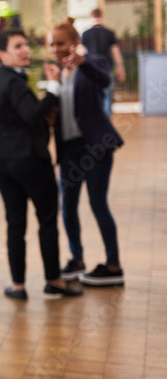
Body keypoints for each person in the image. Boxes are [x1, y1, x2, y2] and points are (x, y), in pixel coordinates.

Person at [0, 30, 82, 299]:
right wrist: (53, 86)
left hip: (3, 165)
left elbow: (14, 121)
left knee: (15, 223)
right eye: (18, 46)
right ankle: (54, 281)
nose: (25, 50)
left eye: (25, 45)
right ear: (2, 54)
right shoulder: (14, 83)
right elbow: (32, 113)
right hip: (31, 162)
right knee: (47, 220)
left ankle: (18, 285)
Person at [49, 20, 125, 286]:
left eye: (60, 43)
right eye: (52, 44)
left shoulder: (93, 61)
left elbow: (104, 81)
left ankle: (114, 265)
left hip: (94, 146)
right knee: (67, 206)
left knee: (97, 203)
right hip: (69, 148)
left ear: (73, 43)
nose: (55, 49)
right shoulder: (58, 73)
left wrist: (83, 63)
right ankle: (76, 259)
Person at [80, 8, 126, 116]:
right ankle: (107, 121)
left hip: (91, 70)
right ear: (102, 17)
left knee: (92, 95)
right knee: (107, 95)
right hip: (106, 69)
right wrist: (120, 67)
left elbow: (81, 52)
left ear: (91, 18)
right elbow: (115, 52)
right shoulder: (109, 33)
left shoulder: (85, 34)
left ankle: (95, 119)